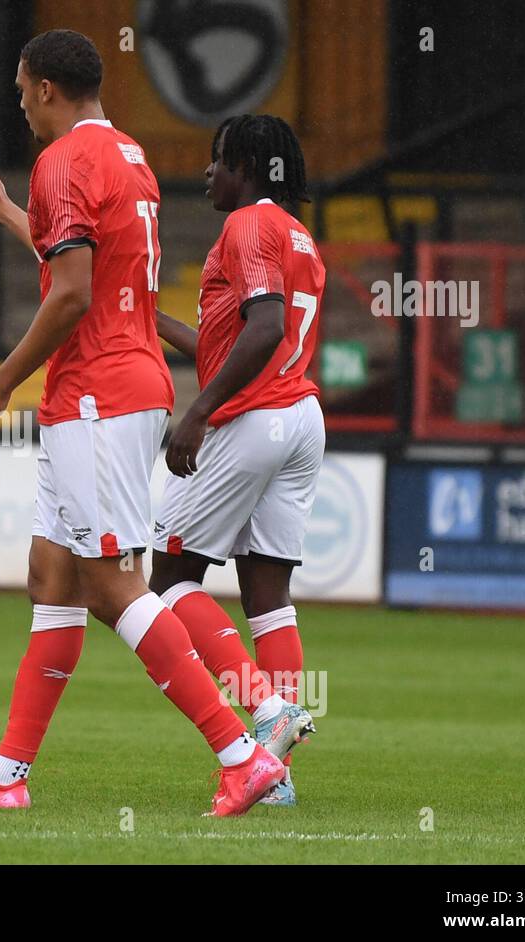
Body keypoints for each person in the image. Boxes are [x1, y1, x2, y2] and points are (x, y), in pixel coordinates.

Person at [0, 31, 285, 816]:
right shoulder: (130, 156)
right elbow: (89, 269)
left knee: (118, 587)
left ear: (47, 87)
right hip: (107, 391)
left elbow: (73, 294)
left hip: (97, 396)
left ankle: (242, 752)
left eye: (22, 90)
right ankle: (7, 776)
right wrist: (17, 216)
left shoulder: (62, 160)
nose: (21, 106)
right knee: (53, 579)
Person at [152, 114, 327, 807]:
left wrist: (195, 413)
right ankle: (275, 774)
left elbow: (264, 328)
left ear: (249, 166)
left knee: (165, 578)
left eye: (218, 160)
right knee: (268, 595)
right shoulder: (300, 235)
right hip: (301, 419)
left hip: (252, 419)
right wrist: (149, 321)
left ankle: (264, 712)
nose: (208, 173)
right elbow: (238, 337)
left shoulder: (248, 225)